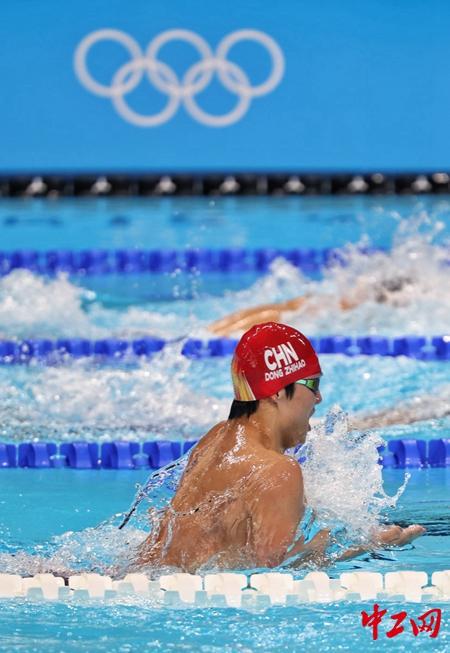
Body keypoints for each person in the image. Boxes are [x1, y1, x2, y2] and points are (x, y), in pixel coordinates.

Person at [138, 322, 425, 573]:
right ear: (276, 389)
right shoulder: (277, 471)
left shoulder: (216, 438)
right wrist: (369, 544)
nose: (319, 397)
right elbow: (275, 575)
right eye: (312, 383)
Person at [209, 275, 414, 337]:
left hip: (314, 301)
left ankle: (213, 330)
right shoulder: (349, 307)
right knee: (288, 312)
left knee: (286, 307)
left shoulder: (343, 300)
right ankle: (216, 333)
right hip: (320, 307)